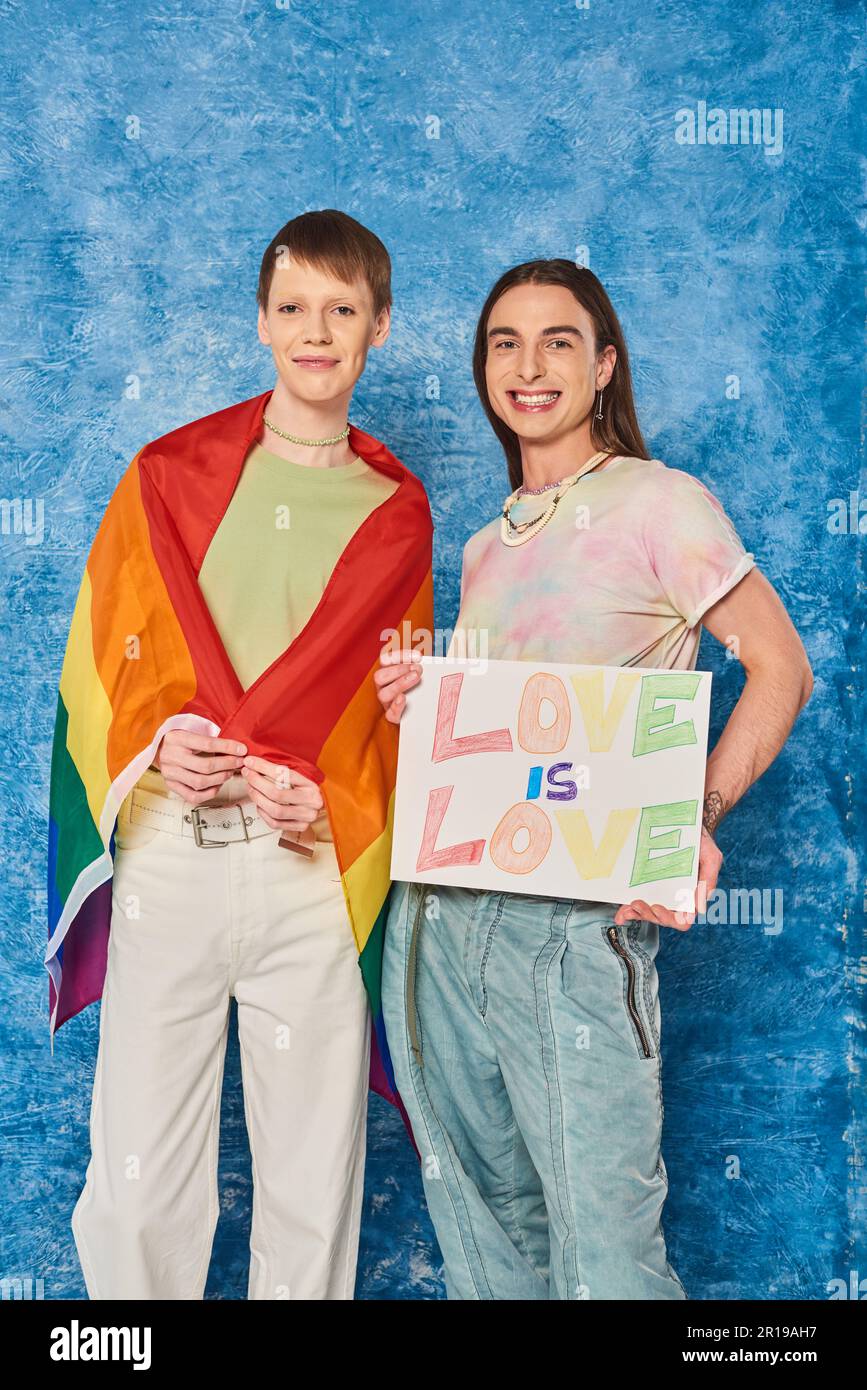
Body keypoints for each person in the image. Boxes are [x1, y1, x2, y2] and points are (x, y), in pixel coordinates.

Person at [375, 259, 813, 1300]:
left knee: (604, 1252)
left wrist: (687, 817)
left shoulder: (661, 503)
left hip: (574, 924)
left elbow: (783, 669)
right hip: (442, 916)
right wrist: (427, 704)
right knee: (491, 1239)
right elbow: (522, 733)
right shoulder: (487, 543)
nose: (530, 367)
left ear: (604, 363)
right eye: (505, 344)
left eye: (559, 341)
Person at [47, 209, 434, 1299]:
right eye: (296, 308)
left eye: (344, 310)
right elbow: (101, 664)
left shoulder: (402, 516)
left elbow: (391, 723)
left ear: (380, 327)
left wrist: (328, 805)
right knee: (135, 1186)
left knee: (314, 1185)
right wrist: (157, 738)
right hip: (172, 848)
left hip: (309, 869)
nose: (319, 332)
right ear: (261, 321)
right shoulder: (165, 475)